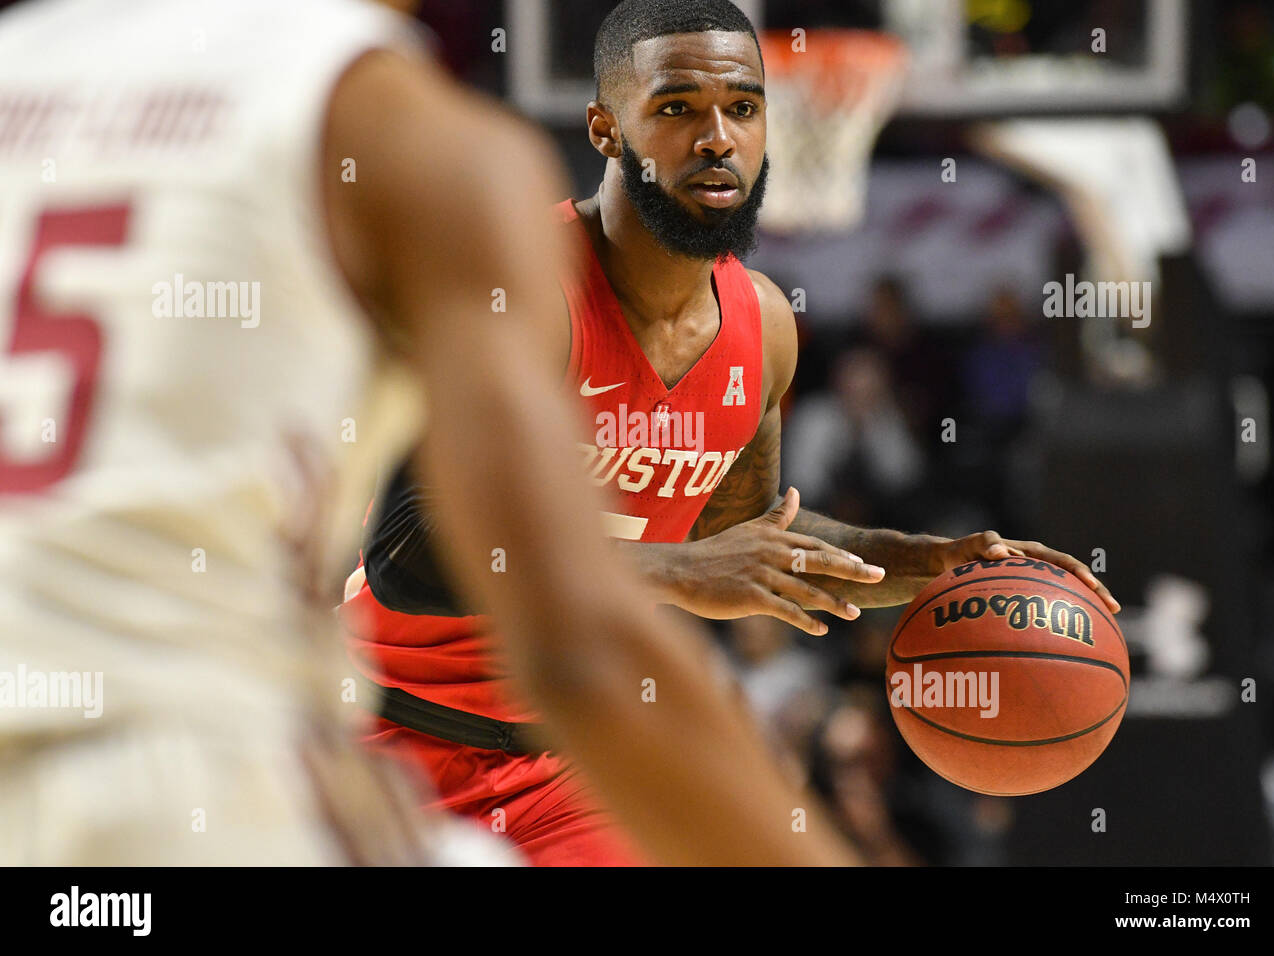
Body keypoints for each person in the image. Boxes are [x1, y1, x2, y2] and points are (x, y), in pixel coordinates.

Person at [0, 0, 855, 867]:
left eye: (743, 107)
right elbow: (568, 643)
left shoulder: (20, 60)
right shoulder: (406, 133)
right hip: (197, 763)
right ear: (607, 127)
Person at [343, 0, 1120, 866]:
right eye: (676, 108)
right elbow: (408, 558)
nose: (717, 137)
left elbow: (743, 537)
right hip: (374, 735)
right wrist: (675, 572)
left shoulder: (765, 327)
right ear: (606, 128)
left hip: (570, 762)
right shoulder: (519, 282)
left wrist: (924, 561)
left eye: (743, 108)